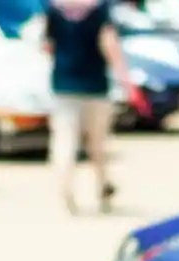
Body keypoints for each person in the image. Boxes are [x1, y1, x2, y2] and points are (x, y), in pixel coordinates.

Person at [44, 0, 134, 215]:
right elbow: (109, 43)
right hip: (95, 86)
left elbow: (48, 45)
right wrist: (125, 80)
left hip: (63, 85)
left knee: (64, 141)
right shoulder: (98, 9)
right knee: (97, 142)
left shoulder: (55, 9)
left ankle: (65, 189)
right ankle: (102, 186)